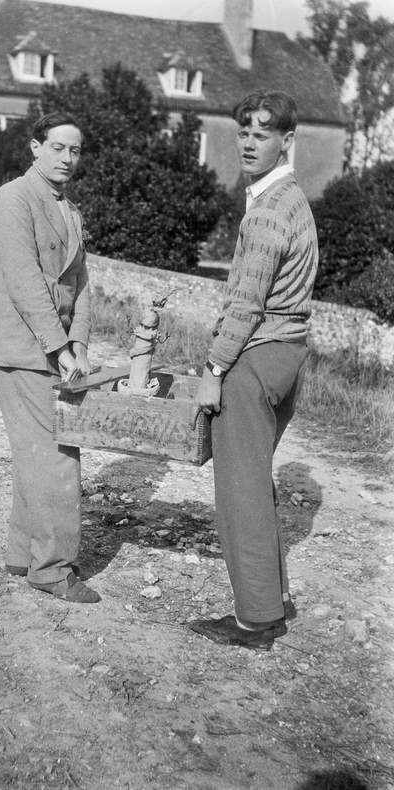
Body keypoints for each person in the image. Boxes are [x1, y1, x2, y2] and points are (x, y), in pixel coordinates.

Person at [190, 90, 318, 650]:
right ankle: (272, 601)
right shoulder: (291, 198)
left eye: (262, 134)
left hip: (256, 363)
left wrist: (214, 369)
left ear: (286, 141)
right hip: (287, 355)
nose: (248, 142)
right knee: (255, 485)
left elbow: (245, 304)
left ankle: (255, 621)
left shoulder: (267, 211)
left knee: (239, 493)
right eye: (243, 131)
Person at [0, 111, 100, 603]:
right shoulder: (13, 199)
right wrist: (59, 346)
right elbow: (26, 282)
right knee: (56, 454)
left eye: (75, 150)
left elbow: (82, 283)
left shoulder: (69, 209)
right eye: (57, 147)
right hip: (22, 347)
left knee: (35, 451)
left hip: (51, 348)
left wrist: (80, 343)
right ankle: (51, 569)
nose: (67, 158)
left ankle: (23, 553)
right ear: (35, 148)